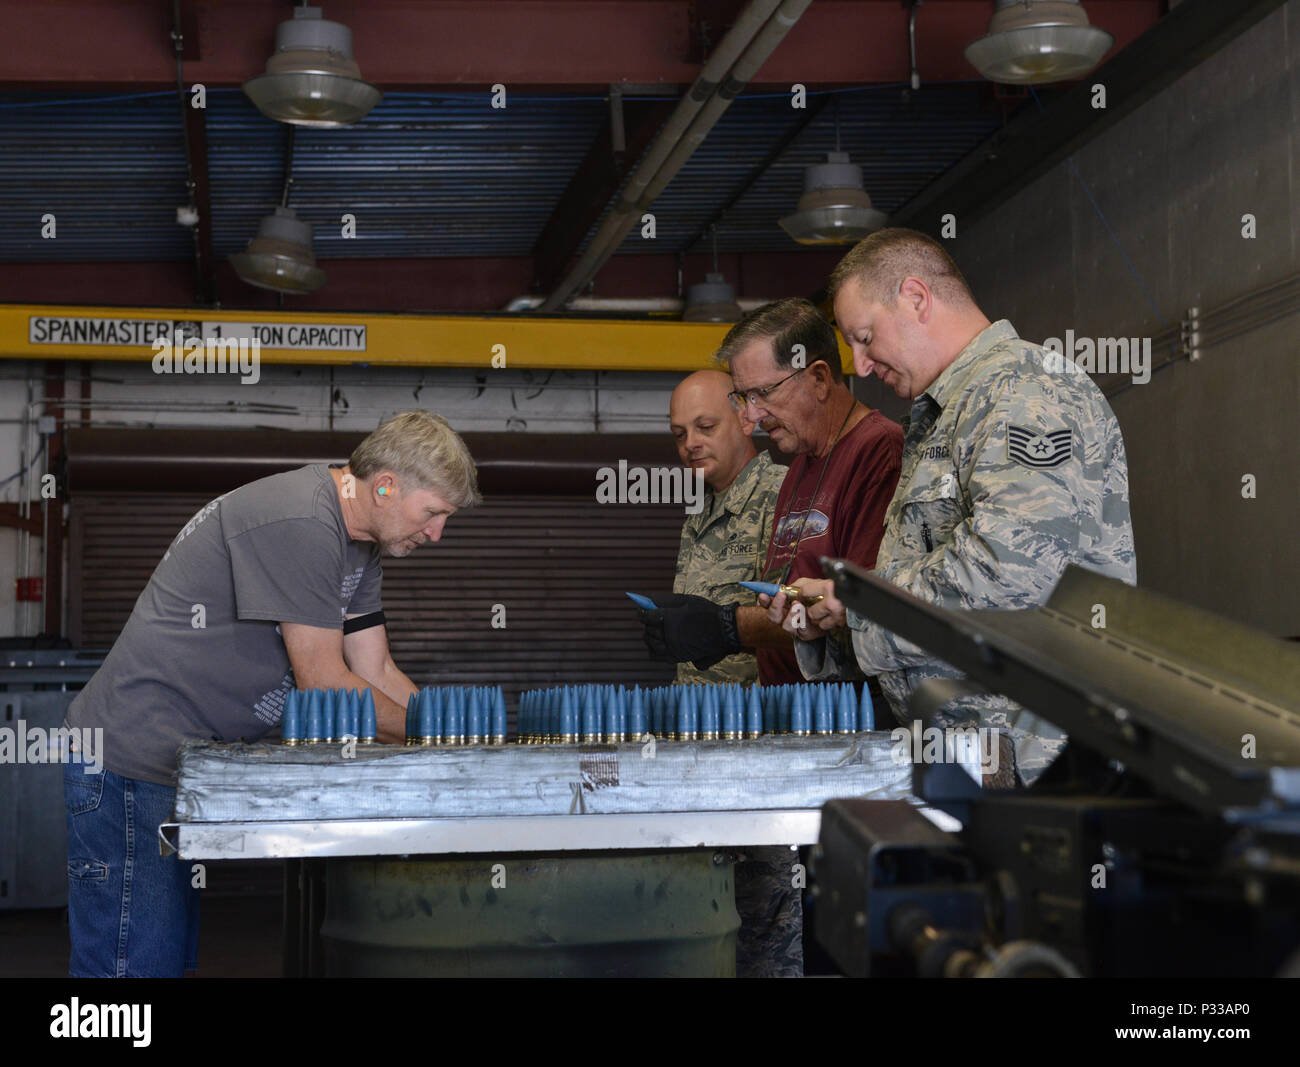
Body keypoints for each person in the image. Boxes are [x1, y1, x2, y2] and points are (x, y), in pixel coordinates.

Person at [61, 410, 481, 977]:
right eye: (432, 513)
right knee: (130, 972)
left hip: (178, 767)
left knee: (163, 964)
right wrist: (442, 740)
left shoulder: (360, 545)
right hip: (129, 766)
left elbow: (375, 668)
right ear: (385, 485)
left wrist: (466, 738)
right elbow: (325, 684)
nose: (437, 533)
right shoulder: (303, 520)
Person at [767, 228, 1137, 785]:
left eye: (865, 338)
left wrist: (861, 604)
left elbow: (1008, 573)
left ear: (916, 298)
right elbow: (938, 589)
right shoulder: (946, 412)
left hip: (1035, 769)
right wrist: (833, 618)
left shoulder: (1024, 393)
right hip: (967, 761)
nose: (862, 367)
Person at [664, 370, 786, 685]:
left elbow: (794, 620)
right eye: (680, 434)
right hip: (700, 720)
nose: (691, 444)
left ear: (745, 420)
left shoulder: (781, 494)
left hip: (758, 721)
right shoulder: (700, 511)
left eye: (705, 427)